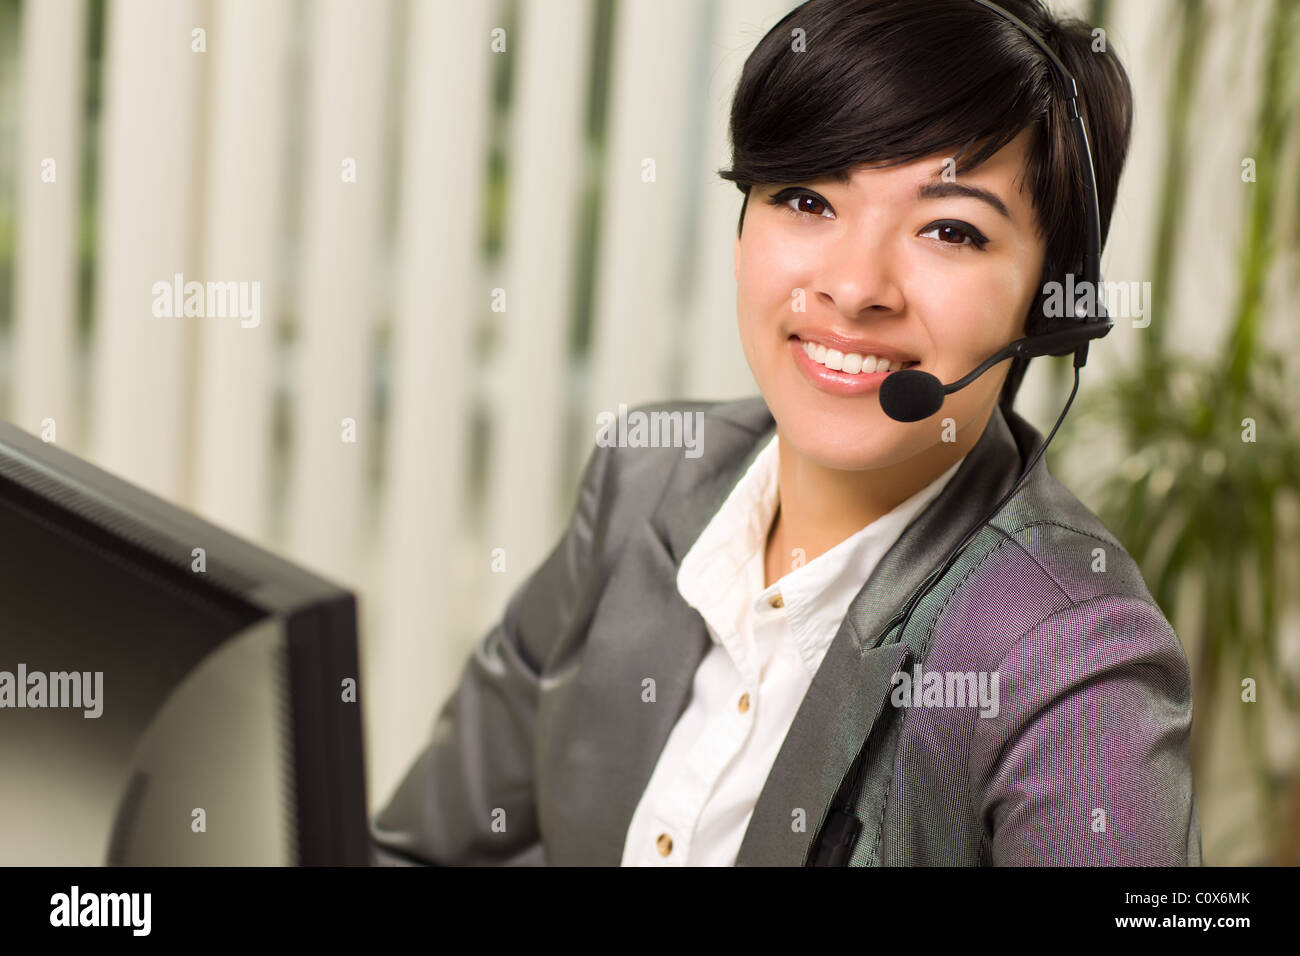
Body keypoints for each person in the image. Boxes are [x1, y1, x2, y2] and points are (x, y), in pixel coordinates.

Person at [370, 0, 1201, 866]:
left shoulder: (1073, 660)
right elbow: (425, 849)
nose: (853, 286)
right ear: (742, 228)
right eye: (807, 199)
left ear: (1048, 303)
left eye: (950, 229)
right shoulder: (646, 477)